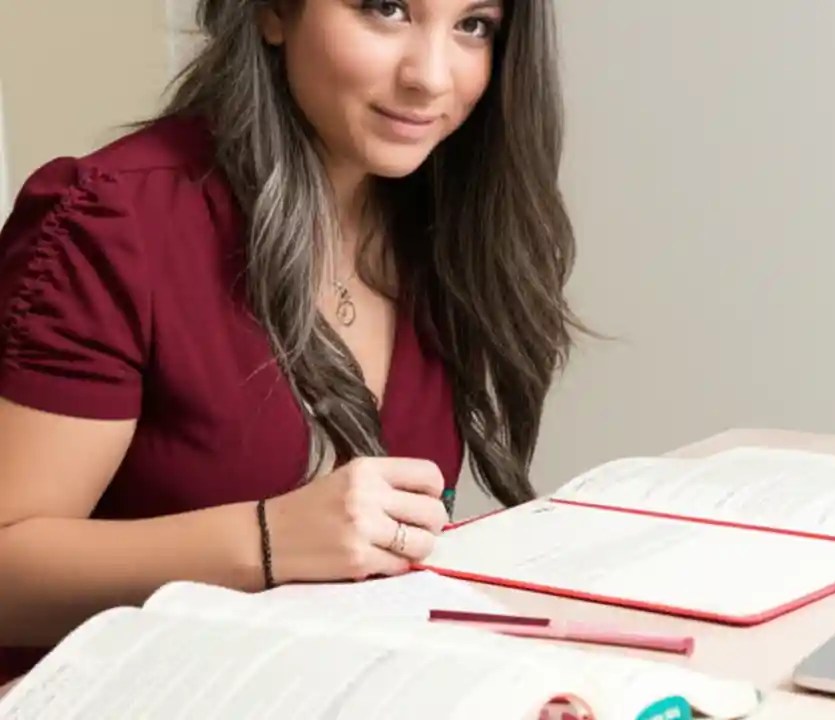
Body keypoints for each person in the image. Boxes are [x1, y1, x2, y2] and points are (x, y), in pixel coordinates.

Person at [0, 0, 583, 682]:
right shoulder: (113, 225)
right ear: (276, 11)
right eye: (387, 9)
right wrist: (265, 540)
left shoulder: (438, 228)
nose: (430, 76)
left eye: (472, 26)